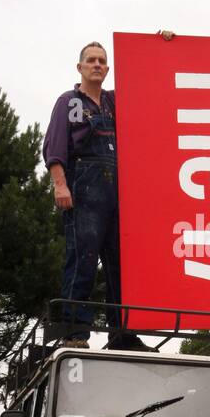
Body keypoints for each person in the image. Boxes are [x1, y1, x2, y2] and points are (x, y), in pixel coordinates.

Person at [43, 40, 145, 348]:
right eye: (91, 60)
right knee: (83, 258)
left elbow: (147, 82)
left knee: (120, 264)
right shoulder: (69, 102)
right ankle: (73, 333)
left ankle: (122, 334)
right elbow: (54, 146)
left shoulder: (116, 102)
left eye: (102, 61)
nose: (97, 64)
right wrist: (60, 185)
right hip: (84, 189)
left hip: (118, 190)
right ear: (80, 67)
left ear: (108, 68)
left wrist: (159, 42)